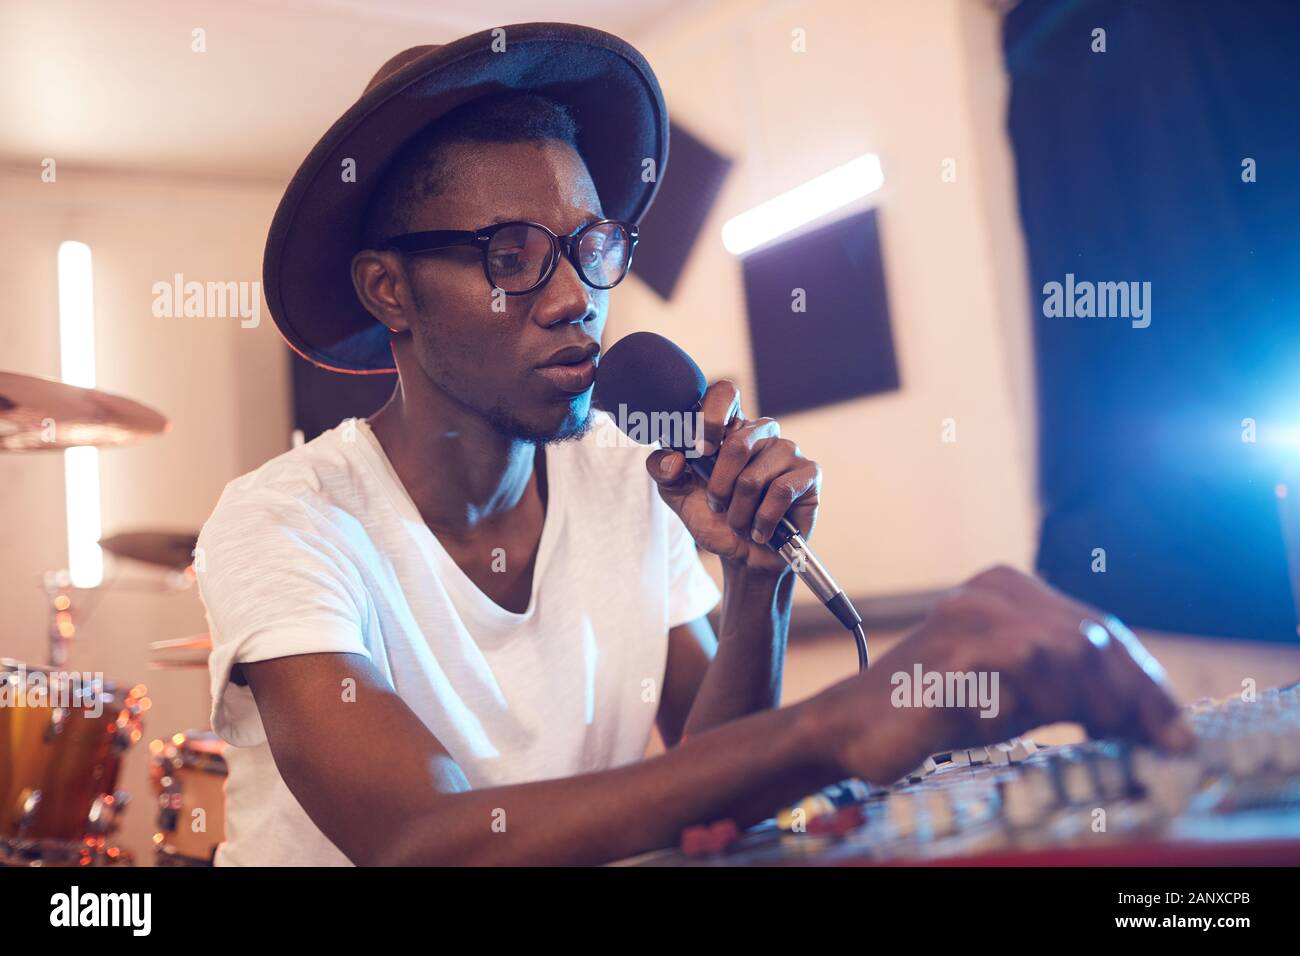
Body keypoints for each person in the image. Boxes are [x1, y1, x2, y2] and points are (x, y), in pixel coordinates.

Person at [196, 23, 1192, 866]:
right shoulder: (285, 518)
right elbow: (424, 837)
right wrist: (837, 717)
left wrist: (754, 578)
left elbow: (709, 781)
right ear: (388, 291)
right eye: (510, 256)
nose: (572, 297)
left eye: (591, 247)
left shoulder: (630, 478)